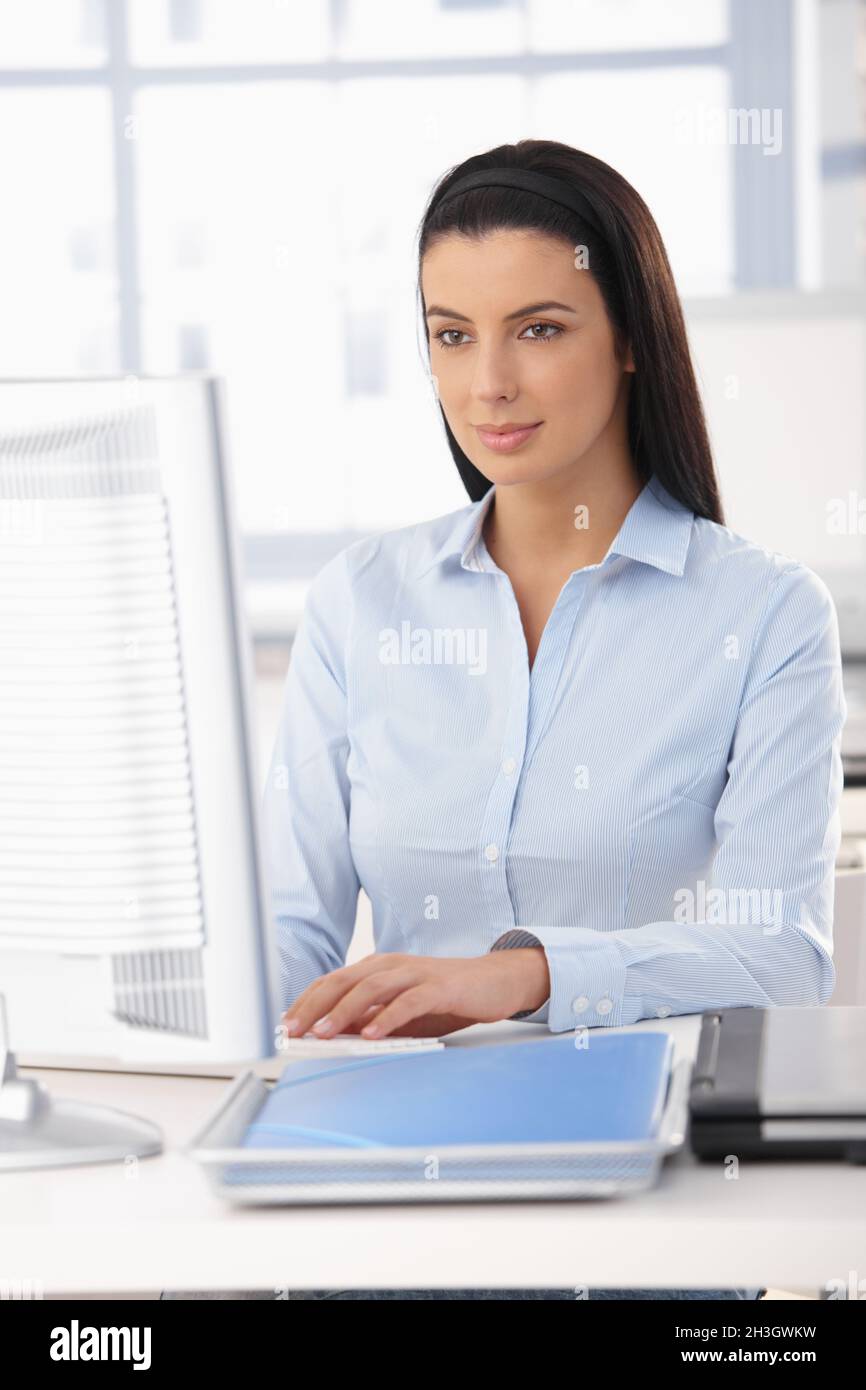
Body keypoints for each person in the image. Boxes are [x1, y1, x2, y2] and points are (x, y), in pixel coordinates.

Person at [164, 138, 845, 1301]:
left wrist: (527, 973)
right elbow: (291, 926)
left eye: (537, 328)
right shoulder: (360, 603)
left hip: (637, 1209)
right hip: (370, 1187)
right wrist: (206, 1010)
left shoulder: (765, 615)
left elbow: (779, 954)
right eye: (450, 334)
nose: (486, 383)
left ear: (628, 336)